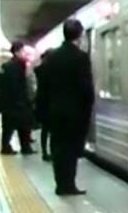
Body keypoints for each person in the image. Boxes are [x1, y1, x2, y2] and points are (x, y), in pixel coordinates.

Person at [38, 19, 94, 195]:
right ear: (79, 35)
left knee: (58, 148)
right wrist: (87, 110)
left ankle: (60, 184)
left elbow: (43, 87)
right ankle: (68, 184)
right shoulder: (81, 57)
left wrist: (42, 111)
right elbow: (86, 89)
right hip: (75, 114)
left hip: (55, 112)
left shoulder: (52, 57)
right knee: (71, 150)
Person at [0, 42, 35, 155]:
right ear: (17, 52)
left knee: (8, 127)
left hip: (7, 103)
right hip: (18, 102)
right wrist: (26, 100)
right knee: (24, 126)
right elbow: (21, 85)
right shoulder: (20, 65)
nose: (24, 54)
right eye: (23, 51)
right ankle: (25, 148)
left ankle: (6, 147)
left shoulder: (5, 66)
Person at [35, 49, 54, 161]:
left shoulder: (38, 70)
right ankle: (51, 152)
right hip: (51, 102)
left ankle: (44, 152)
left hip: (41, 102)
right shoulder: (53, 70)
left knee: (45, 129)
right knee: (52, 130)